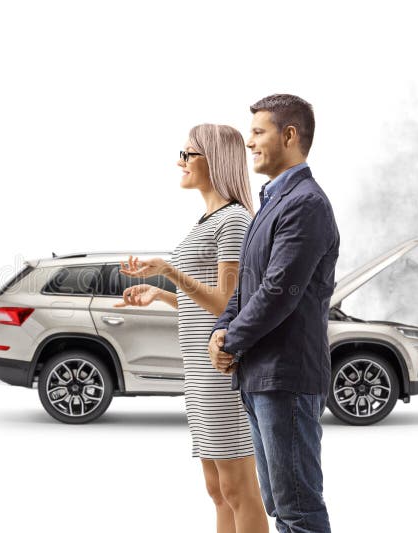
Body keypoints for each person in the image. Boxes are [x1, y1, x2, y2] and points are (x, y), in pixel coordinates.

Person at [117, 124, 268, 533]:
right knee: (218, 490)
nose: (179, 162)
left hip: (222, 372)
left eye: (188, 154)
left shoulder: (233, 220)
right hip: (200, 373)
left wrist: (169, 271)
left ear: (214, 159)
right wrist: (162, 294)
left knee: (239, 489)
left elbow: (228, 304)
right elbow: (207, 306)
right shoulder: (207, 220)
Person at [208, 94, 340, 533]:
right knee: (280, 506)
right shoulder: (272, 202)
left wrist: (231, 341)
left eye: (258, 132)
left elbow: (278, 293)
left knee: (298, 508)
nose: (249, 142)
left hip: (286, 377)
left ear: (289, 136)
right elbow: (246, 287)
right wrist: (221, 331)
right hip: (260, 375)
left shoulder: (306, 204)